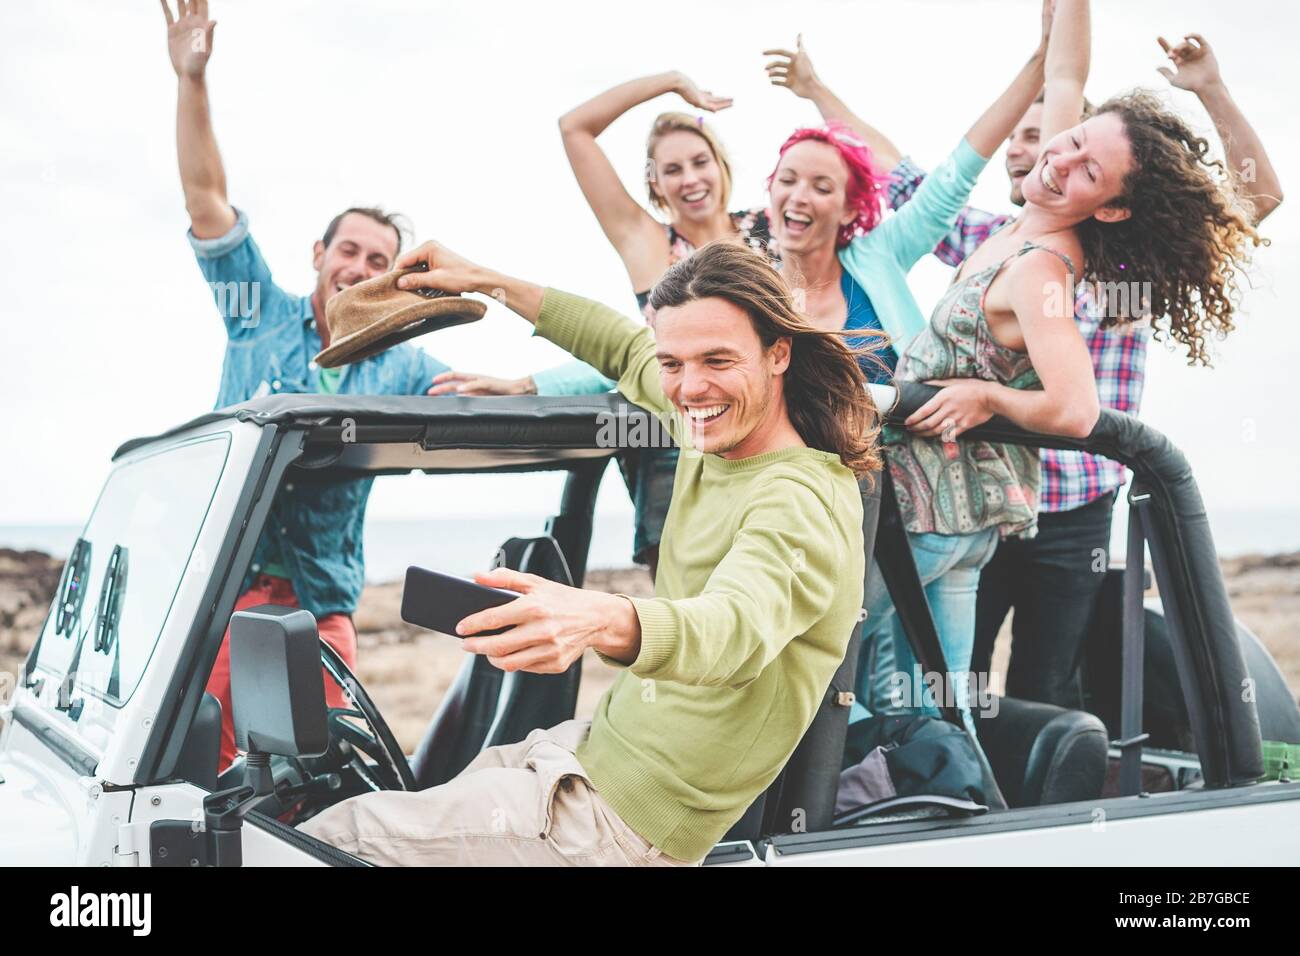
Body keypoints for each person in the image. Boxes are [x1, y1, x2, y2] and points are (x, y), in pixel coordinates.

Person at [300, 240, 874, 866]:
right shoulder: (705, 424)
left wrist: (601, 616)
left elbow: (733, 629)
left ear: (778, 354)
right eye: (673, 363)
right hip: (584, 753)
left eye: (717, 360)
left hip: (623, 823)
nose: (689, 386)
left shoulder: (799, 497)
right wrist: (486, 279)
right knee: (381, 796)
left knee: (330, 841)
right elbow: (621, 345)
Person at [771, 26, 1281, 711]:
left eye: (1081, 159)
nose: (1049, 153)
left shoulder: (1104, 262)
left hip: (1066, 505)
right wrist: (814, 91)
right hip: (971, 499)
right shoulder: (997, 234)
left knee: (1030, 680)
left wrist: (1211, 90)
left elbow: (1250, 202)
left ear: (1115, 201)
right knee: (954, 685)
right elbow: (911, 165)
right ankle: (950, 787)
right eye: (1052, 140)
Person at [160, 0, 451, 769]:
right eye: (346, 250)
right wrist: (192, 81)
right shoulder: (256, 315)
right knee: (211, 777)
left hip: (322, 607)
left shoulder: (405, 365)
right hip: (222, 590)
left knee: (322, 776)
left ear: (390, 279)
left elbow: (478, 399)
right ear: (317, 252)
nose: (356, 268)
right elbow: (206, 203)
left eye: (375, 261)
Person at [428, 72, 776, 579]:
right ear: (655, 183)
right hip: (674, 445)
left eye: (700, 162)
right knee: (689, 598)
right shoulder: (647, 241)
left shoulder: (770, 232)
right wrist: (672, 82)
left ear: (721, 165)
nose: (690, 178)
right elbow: (575, 129)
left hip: (761, 436)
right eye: (672, 169)